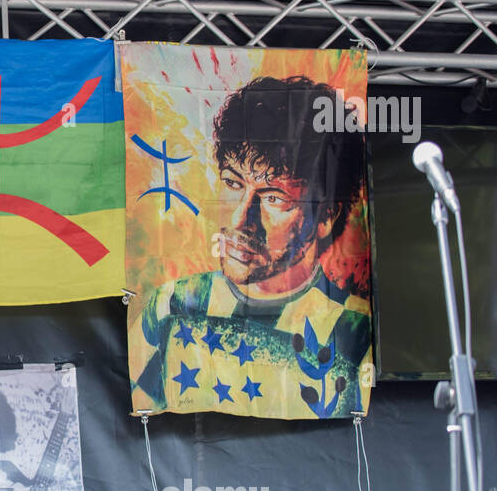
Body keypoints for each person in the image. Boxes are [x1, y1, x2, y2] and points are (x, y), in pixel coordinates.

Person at [131, 75, 372, 418]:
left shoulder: (355, 332)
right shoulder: (171, 305)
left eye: (274, 197)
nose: (241, 218)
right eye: (232, 182)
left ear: (326, 216)